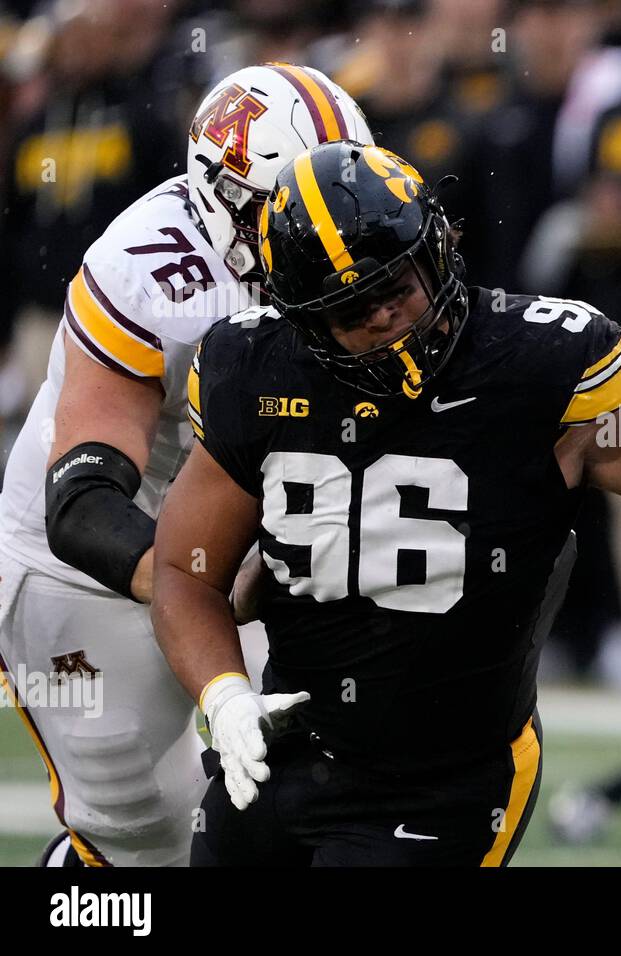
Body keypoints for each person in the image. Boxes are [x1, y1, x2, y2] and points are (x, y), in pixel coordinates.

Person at [150, 140, 621, 866]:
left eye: (397, 286)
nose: (386, 318)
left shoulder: (538, 365)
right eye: (352, 309)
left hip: (443, 782)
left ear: (438, 246)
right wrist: (223, 694)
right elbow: (186, 570)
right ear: (302, 319)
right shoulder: (253, 370)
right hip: (287, 754)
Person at [0, 63, 370, 867]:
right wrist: (195, 584)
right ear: (225, 199)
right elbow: (84, 502)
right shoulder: (148, 270)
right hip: (90, 566)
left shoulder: (373, 247)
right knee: (146, 831)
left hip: (249, 530)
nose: (331, 229)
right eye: (293, 207)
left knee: (295, 798)